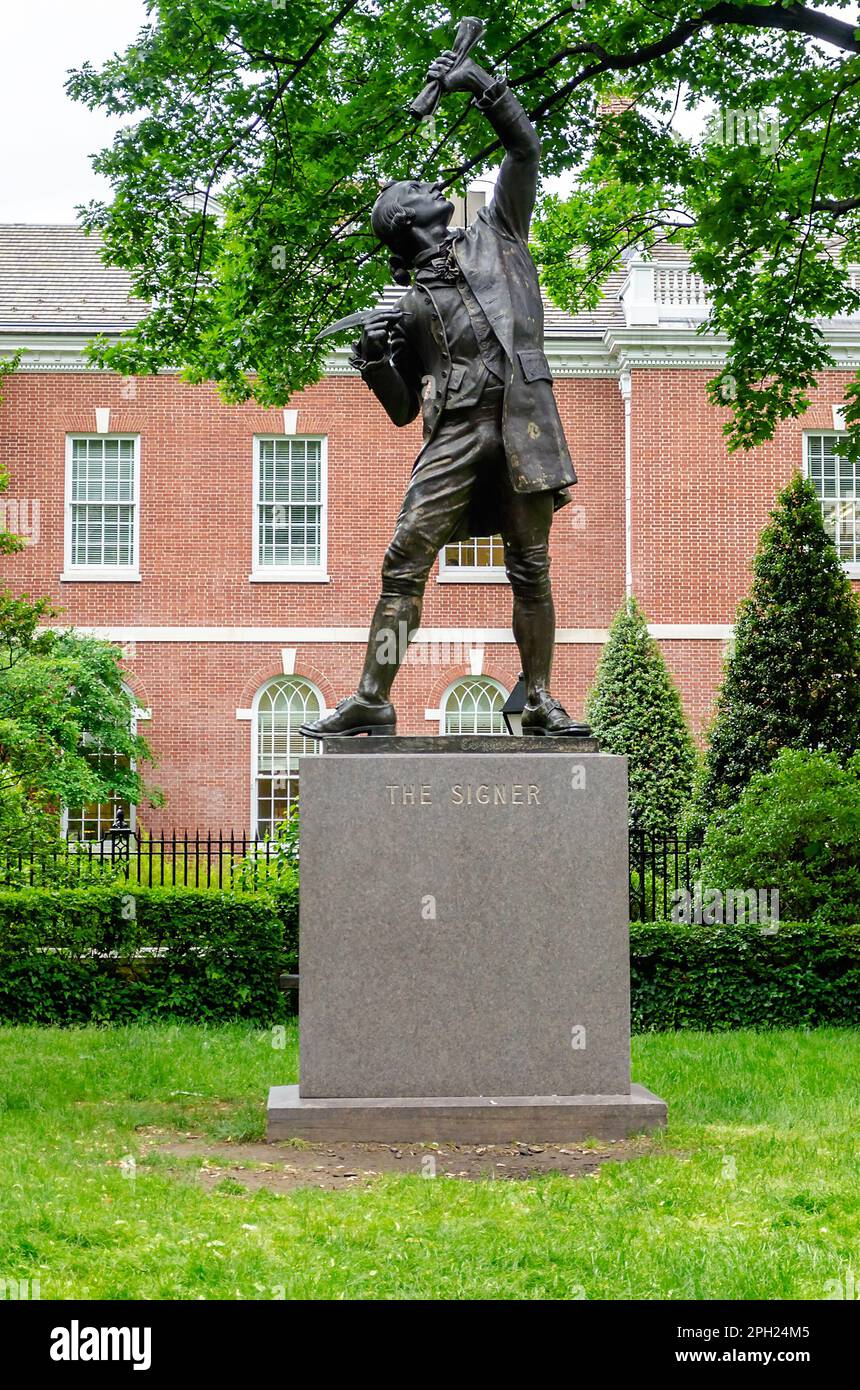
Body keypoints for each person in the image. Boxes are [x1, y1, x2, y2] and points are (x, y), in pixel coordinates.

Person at [301, 46, 589, 739]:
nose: (432, 186)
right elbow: (404, 408)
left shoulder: (500, 233)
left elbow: (526, 147)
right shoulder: (403, 310)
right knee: (404, 559)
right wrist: (374, 365)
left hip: (523, 419)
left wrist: (479, 84)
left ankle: (540, 697)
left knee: (531, 566)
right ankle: (374, 694)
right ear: (406, 220)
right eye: (416, 188)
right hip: (456, 431)